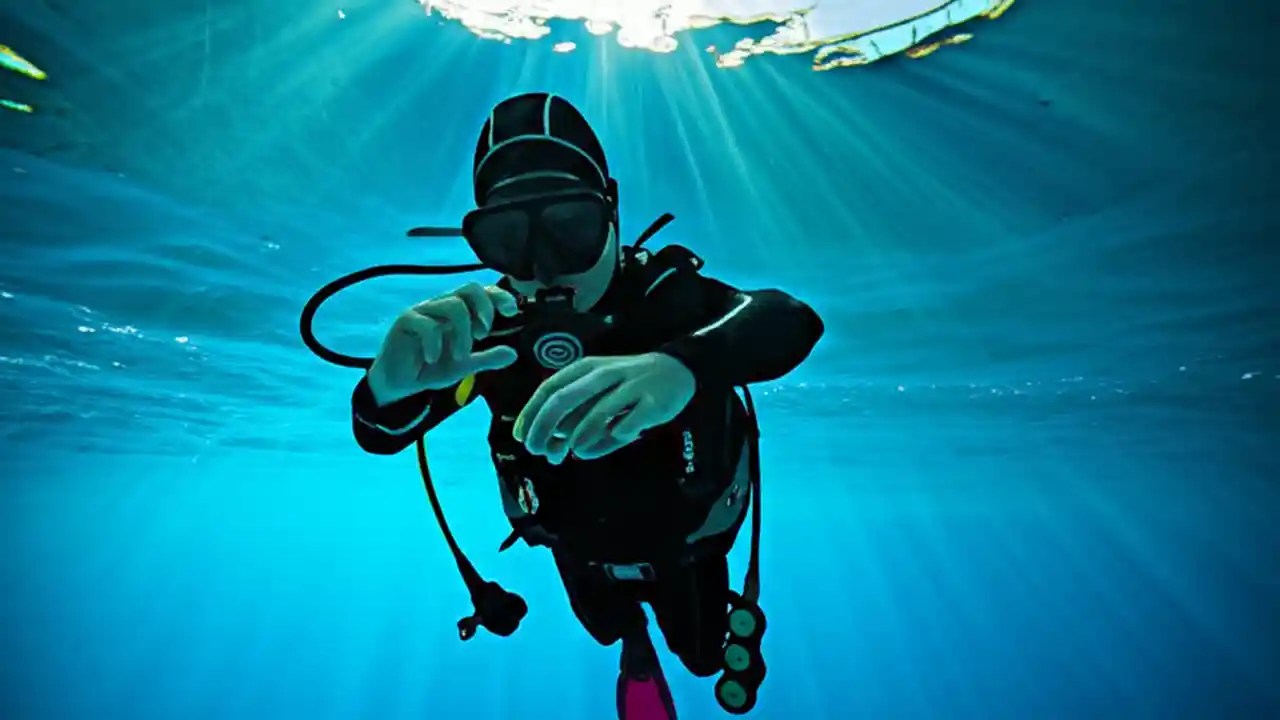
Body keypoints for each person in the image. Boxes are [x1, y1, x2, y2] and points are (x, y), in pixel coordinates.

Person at [348, 92, 823, 718]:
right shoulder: (488, 338)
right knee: (608, 627)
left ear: (612, 212)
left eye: (571, 228)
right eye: (510, 238)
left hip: (688, 550)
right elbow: (382, 434)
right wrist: (387, 388)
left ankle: (648, 647)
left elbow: (787, 319)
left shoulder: (664, 299)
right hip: (578, 553)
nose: (544, 268)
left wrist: (682, 365)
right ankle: (633, 648)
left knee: (707, 655)